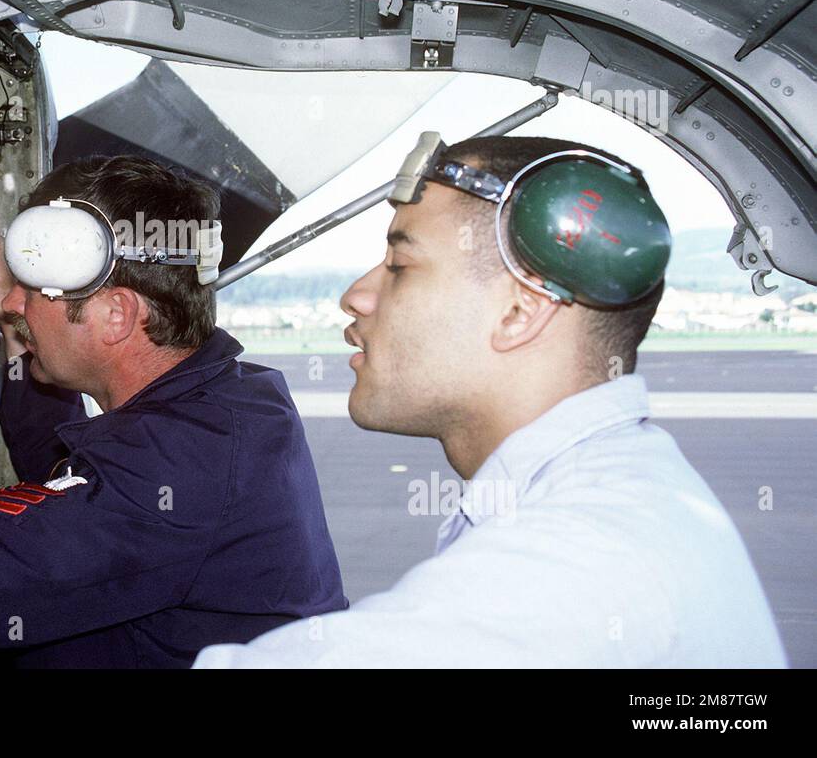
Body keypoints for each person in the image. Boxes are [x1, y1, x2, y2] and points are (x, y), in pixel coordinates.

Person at [195, 134, 785, 668]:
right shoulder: (616, 493)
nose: (356, 296)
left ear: (519, 312)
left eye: (400, 264)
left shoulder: (576, 564)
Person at [0, 155, 346, 667]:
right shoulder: (231, 404)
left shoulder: (181, 464)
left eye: (32, 290)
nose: (13, 302)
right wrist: (17, 333)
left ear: (116, 315)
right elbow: (65, 482)